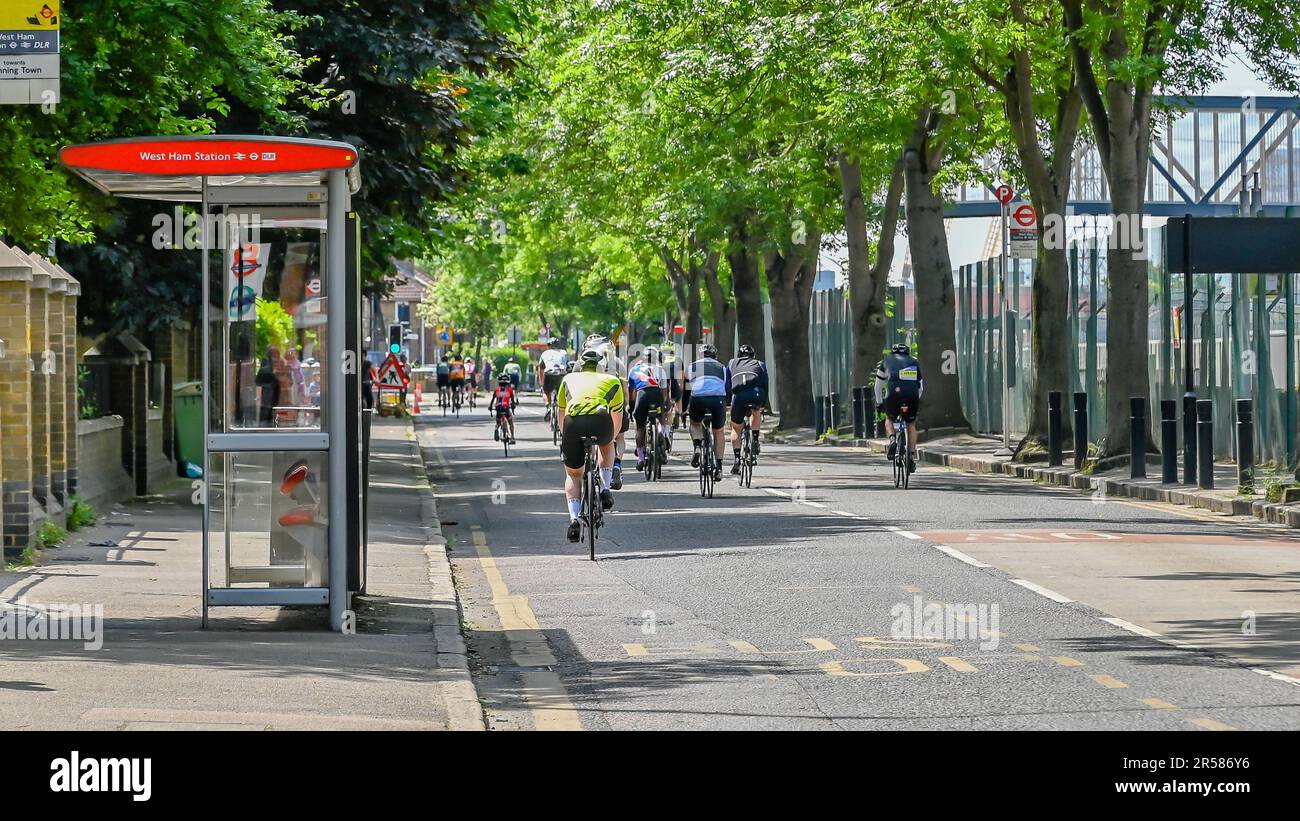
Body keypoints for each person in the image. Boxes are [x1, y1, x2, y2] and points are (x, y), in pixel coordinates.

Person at [557, 348, 626, 543]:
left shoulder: (568, 379)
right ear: (601, 367)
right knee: (607, 444)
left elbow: (561, 416)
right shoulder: (612, 381)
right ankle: (605, 488)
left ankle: (574, 519)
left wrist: (568, 439)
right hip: (601, 421)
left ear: (580, 366)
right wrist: (608, 440)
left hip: (573, 424)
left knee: (573, 474)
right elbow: (617, 422)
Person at [581, 333, 630, 488]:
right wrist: (626, 405)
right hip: (615, 405)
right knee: (619, 437)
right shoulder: (617, 362)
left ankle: (590, 460)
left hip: (591, 405)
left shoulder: (582, 362)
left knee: (592, 436)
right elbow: (624, 389)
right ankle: (616, 464)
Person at [875, 342, 924, 473]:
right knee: (911, 424)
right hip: (911, 394)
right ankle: (911, 455)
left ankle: (892, 440)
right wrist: (915, 400)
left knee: (889, 419)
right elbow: (921, 386)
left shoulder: (886, 361)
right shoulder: (914, 361)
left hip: (893, 393)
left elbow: (878, 386)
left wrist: (879, 403)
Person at [686, 343, 729, 481]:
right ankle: (719, 467)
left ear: (700, 355)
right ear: (715, 356)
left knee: (695, 423)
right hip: (718, 399)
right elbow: (727, 387)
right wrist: (727, 404)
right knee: (719, 431)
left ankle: (697, 446)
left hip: (698, 398)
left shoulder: (692, 366)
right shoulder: (722, 367)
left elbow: (687, 388)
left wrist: (686, 408)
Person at [726, 344, 769, 474]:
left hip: (739, 396)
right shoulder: (760, 364)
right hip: (756, 394)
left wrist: (728, 403)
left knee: (736, 427)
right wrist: (763, 403)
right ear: (752, 356)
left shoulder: (732, 363)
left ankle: (737, 458)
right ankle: (755, 439)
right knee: (756, 411)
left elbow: (728, 384)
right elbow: (765, 382)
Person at [628, 347, 669, 471]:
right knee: (661, 417)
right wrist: (664, 404)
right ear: (656, 358)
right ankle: (662, 433)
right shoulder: (661, 369)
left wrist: (631, 405)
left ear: (643, 358)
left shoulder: (634, 369)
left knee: (640, 427)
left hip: (642, 395)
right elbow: (664, 391)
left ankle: (640, 458)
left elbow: (631, 392)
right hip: (656, 394)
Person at [538, 337, 570, 420]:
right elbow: (568, 366)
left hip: (549, 374)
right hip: (561, 375)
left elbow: (541, 369)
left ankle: (548, 407)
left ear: (548, 346)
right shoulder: (564, 352)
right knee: (563, 394)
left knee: (546, 392)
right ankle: (563, 411)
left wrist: (541, 384)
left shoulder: (545, 353)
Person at [488, 374, 517, 444]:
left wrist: (490, 407)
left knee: (498, 422)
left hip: (498, 408)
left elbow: (492, 401)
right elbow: (513, 402)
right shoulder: (510, 390)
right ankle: (512, 437)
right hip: (506, 408)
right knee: (510, 422)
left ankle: (496, 429)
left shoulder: (497, 390)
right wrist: (513, 407)